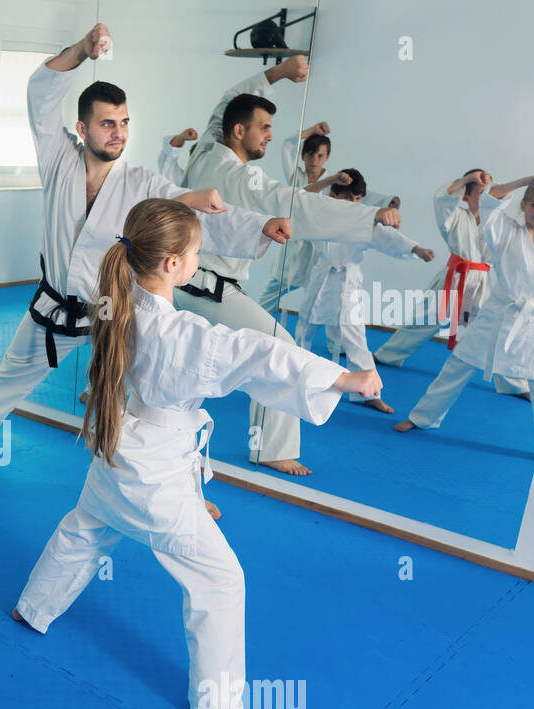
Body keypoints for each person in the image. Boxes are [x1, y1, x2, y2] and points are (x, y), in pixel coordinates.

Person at [12, 198, 381, 709]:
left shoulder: (118, 300)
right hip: (152, 473)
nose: (198, 260)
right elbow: (255, 354)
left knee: (85, 528)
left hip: (121, 452)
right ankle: (218, 705)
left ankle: (33, 608)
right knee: (221, 580)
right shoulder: (180, 332)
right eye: (196, 253)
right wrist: (341, 379)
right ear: (171, 265)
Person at [0, 23, 288, 455]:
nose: (118, 132)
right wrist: (82, 49)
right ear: (82, 128)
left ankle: (172, 480)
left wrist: (258, 225)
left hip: (112, 306)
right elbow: (39, 93)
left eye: (124, 123)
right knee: (13, 369)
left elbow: (180, 205)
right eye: (107, 123)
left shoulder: (138, 180)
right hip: (58, 301)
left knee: (150, 389)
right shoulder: (57, 158)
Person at [177, 55, 401, 476]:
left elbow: (226, 103)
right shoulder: (239, 177)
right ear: (239, 131)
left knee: (180, 364)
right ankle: (272, 448)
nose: (269, 136)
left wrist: (277, 73)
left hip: (183, 283)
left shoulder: (207, 148)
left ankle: (125, 418)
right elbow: (298, 205)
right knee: (282, 351)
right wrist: (366, 215)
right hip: (207, 289)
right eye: (263, 128)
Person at [394, 173, 534, 447]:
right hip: (496, 315)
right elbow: (492, 200)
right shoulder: (506, 231)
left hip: (530, 323)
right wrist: (526, 181)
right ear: (523, 206)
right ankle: (422, 417)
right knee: (457, 366)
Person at [374, 168, 530, 398]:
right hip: (455, 276)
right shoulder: (455, 216)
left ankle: (513, 385)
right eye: (478, 192)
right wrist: (467, 180)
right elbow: (442, 198)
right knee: (424, 320)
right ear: (465, 197)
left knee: (495, 331)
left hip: (483, 282)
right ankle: (387, 355)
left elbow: (502, 199)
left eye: (488, 192)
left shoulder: (496, 223)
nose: (485, 197)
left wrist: (522, 181)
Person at [294, 168, 434, 413]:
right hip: (322, 278)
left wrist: (416, 249)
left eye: (358, 200)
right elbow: (299, 198)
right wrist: (329, 180)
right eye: (349, 198)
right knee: (304, 330)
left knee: (356, 337)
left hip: (349, 282)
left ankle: (368, 392)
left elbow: (388, 238)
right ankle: (294, 379)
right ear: (333, 195)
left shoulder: (362, 220)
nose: (354, 204)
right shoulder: (319, 212)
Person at [255, 123, 399, 317]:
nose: (314, 160)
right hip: (294, 244)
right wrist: (311, 131)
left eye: (320, 155)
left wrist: (387, 201)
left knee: (325, 299)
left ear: (327, 157)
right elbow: (288, 147)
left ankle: (335, 345)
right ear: (303, 156)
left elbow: (356, 197)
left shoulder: (337, 181)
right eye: (310, 154)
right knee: (272, 291)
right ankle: (257, 324)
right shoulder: (296, 176)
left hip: (320, 249)